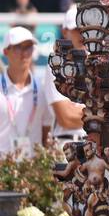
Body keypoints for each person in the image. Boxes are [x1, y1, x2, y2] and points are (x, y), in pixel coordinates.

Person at [1, 26, 83, 158]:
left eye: (28, 47)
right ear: (5, 51)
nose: (24, 53)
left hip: (33, 170)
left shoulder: (40, 90)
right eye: (17, 47)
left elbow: (45, 134)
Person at [48, 8, 89, 146]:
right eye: (77, 29)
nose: (83, 34)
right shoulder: (55, 66)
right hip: (65, 143)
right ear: (65, 31)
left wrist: (77, 111)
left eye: (86, 28)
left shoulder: (99, 63)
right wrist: (98, 112)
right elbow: (66, 118)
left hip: (95, 144)